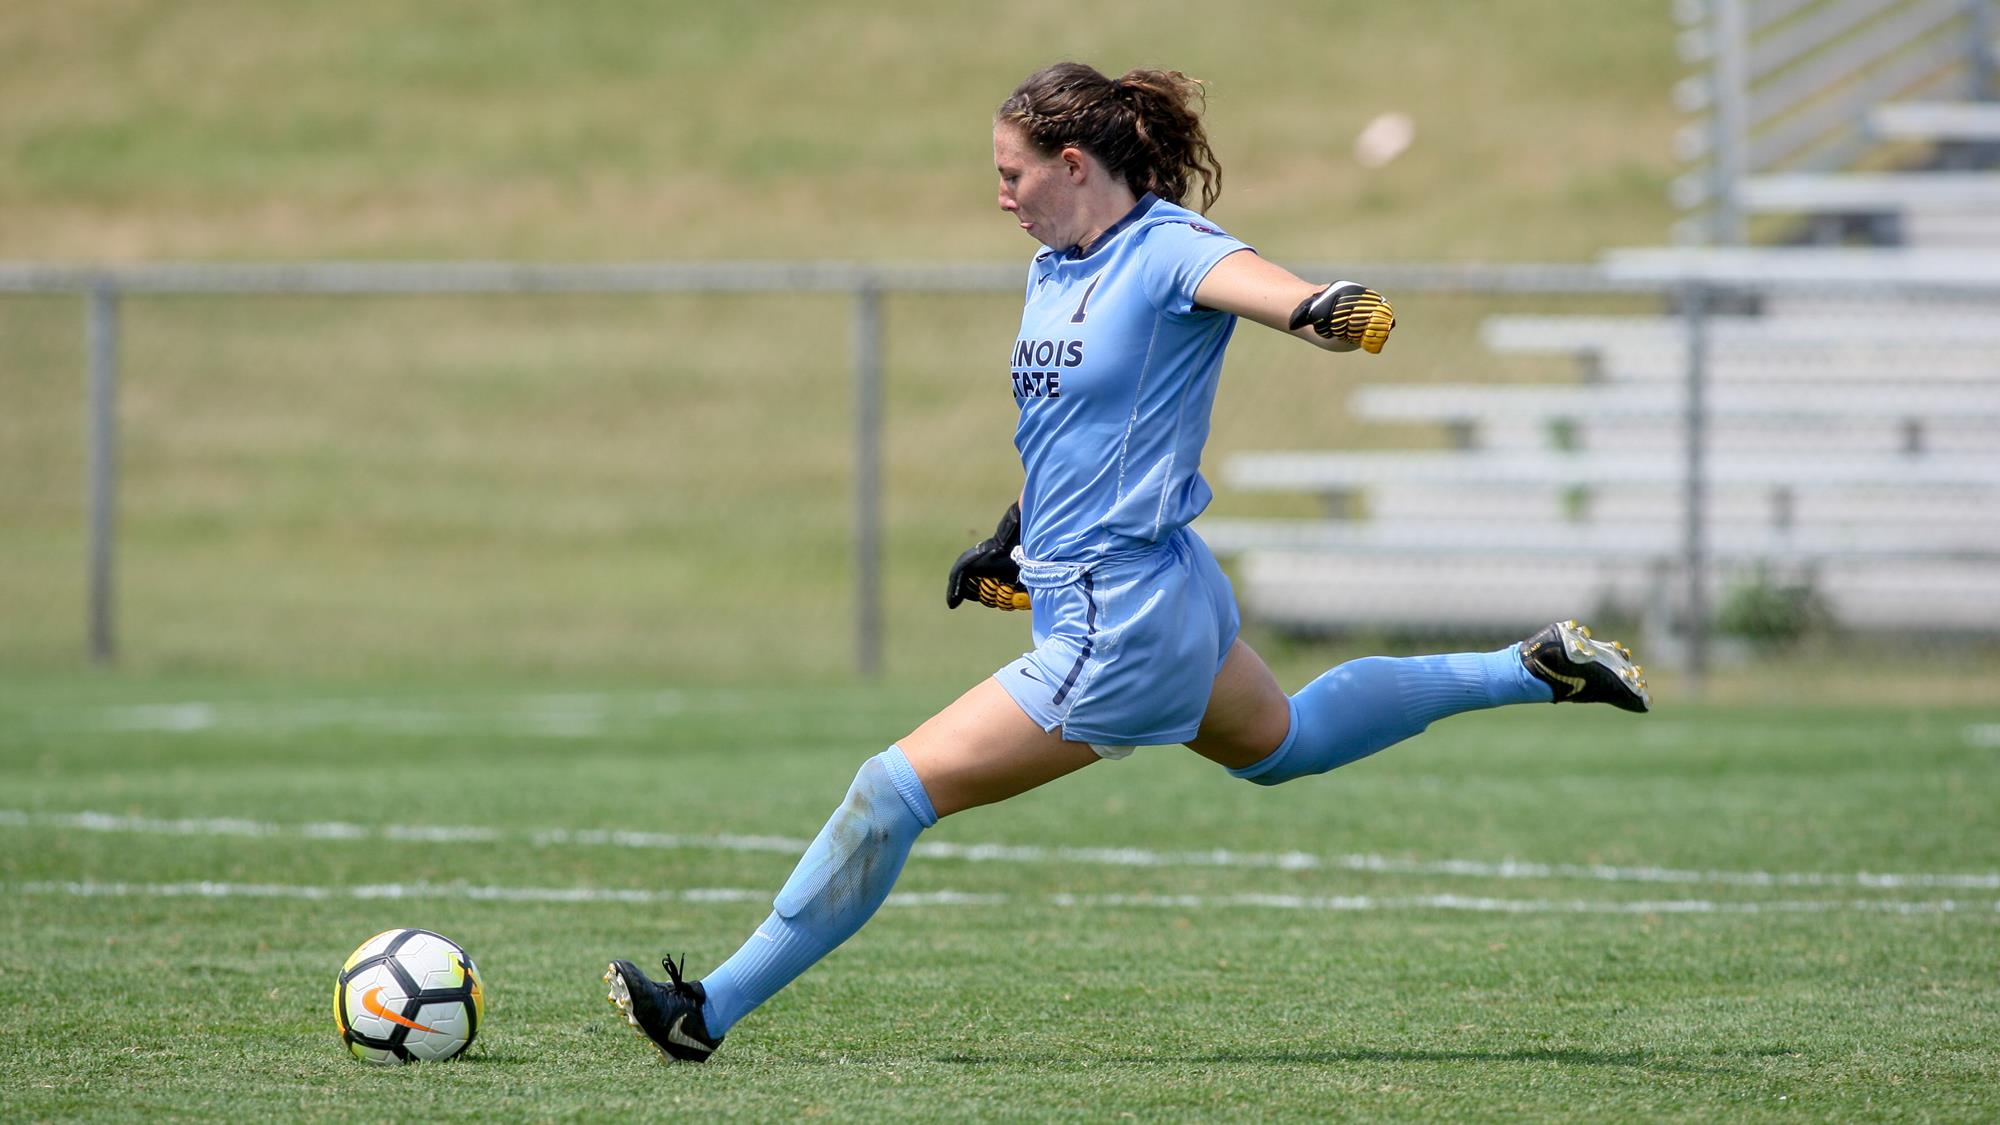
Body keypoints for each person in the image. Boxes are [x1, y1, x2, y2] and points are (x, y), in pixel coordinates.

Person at [603, 61, 1649, 1063]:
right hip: (1142, 590)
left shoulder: (1167, 247)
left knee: (889, 792)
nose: (1000, 195)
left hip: (1125, 615)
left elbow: (1261, 286)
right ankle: (1529, 667)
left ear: (1070, 163)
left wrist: (1322, 310)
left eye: (1010, 173)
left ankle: (710, 1008)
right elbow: (1071, 430)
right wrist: (1014, 535)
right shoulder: (1050, 267)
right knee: (1283, 742)